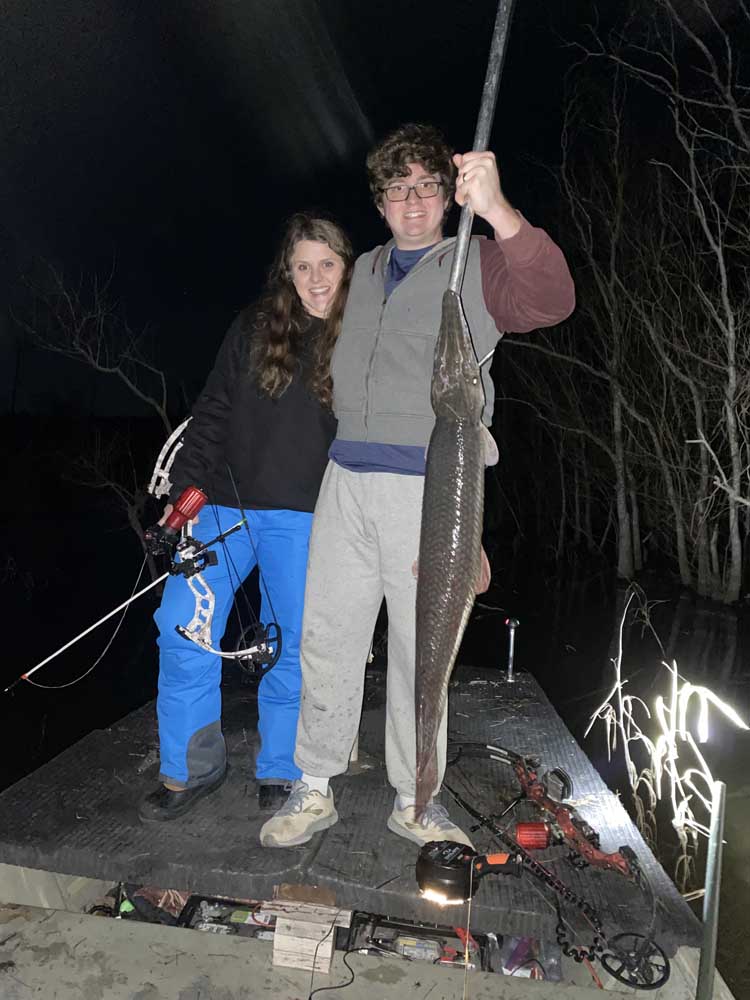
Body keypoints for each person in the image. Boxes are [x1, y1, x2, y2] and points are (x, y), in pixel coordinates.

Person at [259, 123, 575, 850]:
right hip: (345, 480)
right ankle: (313, 788)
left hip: (428, 486)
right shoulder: (362, 268)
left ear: (447, 196)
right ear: (379, 200)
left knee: (420, 650)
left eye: (427, 186)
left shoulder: (477, 265)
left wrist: (499, 210)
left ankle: (415, 798)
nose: (411, 200)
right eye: (397, 187)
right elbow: (299, 304)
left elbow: (553, 298)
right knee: (327, 639)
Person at [138, 212, 354, 823]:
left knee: (291, 646)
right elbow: (211, 416)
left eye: (327, 264)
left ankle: (281, 765)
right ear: (287, 270)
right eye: (302, 265)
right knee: (182, 627)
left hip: (307, 518)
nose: (315, 278)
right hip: (224, 511)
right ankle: (192, 767)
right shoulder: (254, 327)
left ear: (347, 267)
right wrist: (184, 499)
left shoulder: (362, 332)